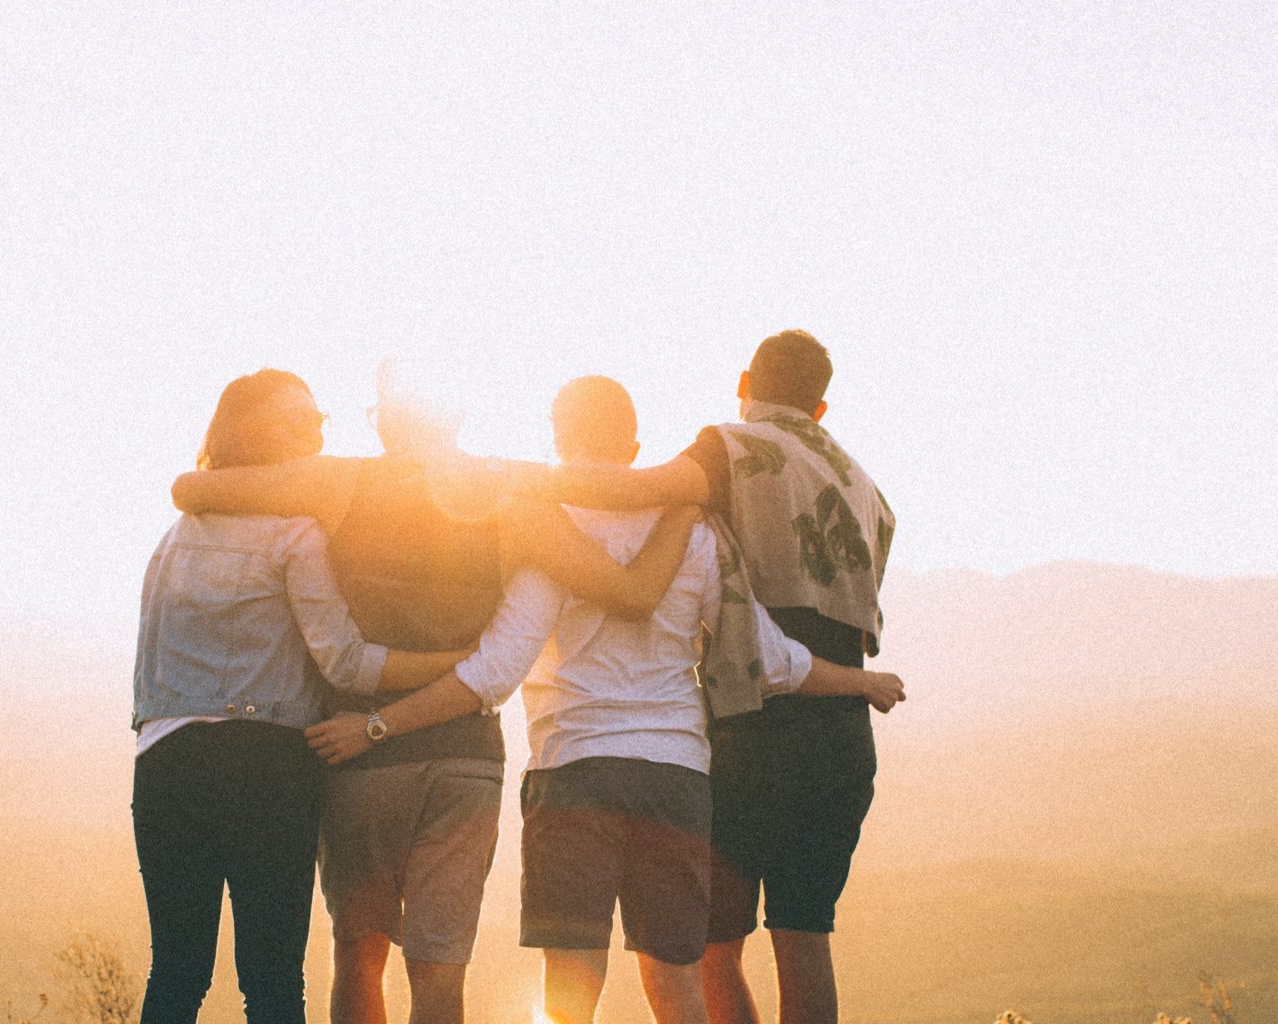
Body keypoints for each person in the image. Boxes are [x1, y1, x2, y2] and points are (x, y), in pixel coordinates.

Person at [306, 375, 904, 1024]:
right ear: (635, 446)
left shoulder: (547, 533)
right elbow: (768, 658)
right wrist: (861, 681)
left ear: (558, 440)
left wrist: (379, 724)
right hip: (675, 777)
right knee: (676, 986)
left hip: (573, 773)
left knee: (571, 992)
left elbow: (495, 672)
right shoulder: (696, 532)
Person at [169, 362, 695, 1024]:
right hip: (464, 760)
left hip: (358, 756)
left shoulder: (337, 482)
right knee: (440, 972)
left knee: (359, 957)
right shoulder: (512, 500)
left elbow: (193, 489)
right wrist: (686, 503)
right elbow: (631, 593)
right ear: (457, 415)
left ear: (386, 420)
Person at [520, 332, 896, 1024]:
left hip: (751, 726)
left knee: (714, 953)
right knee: (806, 939)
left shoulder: (734, 448)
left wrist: (507, 481)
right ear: (820, 406)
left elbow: (638, 490)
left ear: (745, 382)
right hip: (841, 729)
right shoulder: (863, 485)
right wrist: (860, 682)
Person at [131, 369, 478, 1024]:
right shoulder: (295, 533)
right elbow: (344, 661)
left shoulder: (173, 538)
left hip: (164, 762)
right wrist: (457, 663)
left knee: (176, 970)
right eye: (299, 422)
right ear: (254, 432)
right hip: (266, 765)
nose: (316, 434)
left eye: (319, 420)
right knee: (271, 982)